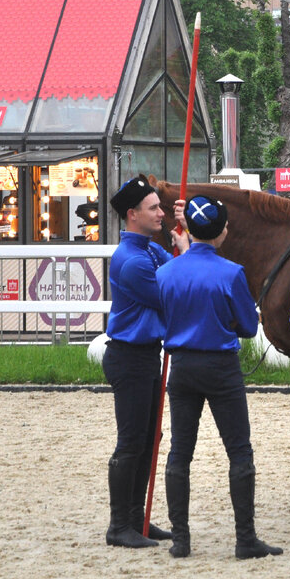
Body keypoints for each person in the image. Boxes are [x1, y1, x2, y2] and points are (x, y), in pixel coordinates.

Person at [156, 195, 282, 559]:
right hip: (222, 368)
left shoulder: (166, 272)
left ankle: (181, 539)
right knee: (239, 451)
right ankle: (245, 539)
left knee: (180, 452)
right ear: (222, 231)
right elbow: (246, 326)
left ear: (190, 231)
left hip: (182, 366)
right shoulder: (232, 273)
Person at [102, 176, 186, 549]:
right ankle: (120, 525)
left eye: (161, 206)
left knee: (149, 440)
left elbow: (179, 270)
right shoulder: (133, 260)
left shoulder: (148, 251)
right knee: (132, 442)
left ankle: (137, 518)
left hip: (146, 355)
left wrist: (183, 238)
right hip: (130, 357)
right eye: (154, 208)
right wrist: (183, 249)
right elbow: (173, 295)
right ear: (133, 215)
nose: (161, 213)